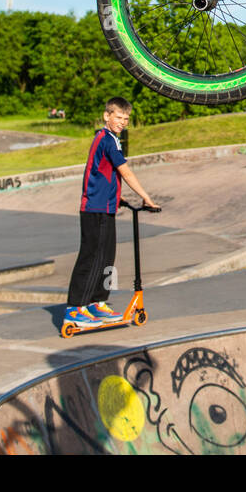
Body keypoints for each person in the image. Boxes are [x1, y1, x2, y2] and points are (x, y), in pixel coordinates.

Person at [65, 96, 157, 328]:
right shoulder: (108, 140)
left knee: (107, 258)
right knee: (91, 257)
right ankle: (75, 308)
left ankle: (97, 302)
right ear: (107, 116)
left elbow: (101, 173)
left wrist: (119, 197)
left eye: (126, 118)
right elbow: (124, 171)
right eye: (118, 117)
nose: (122, 122)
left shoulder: (108, 139)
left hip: (105, 207)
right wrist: (146, 197)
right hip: (94, 209)